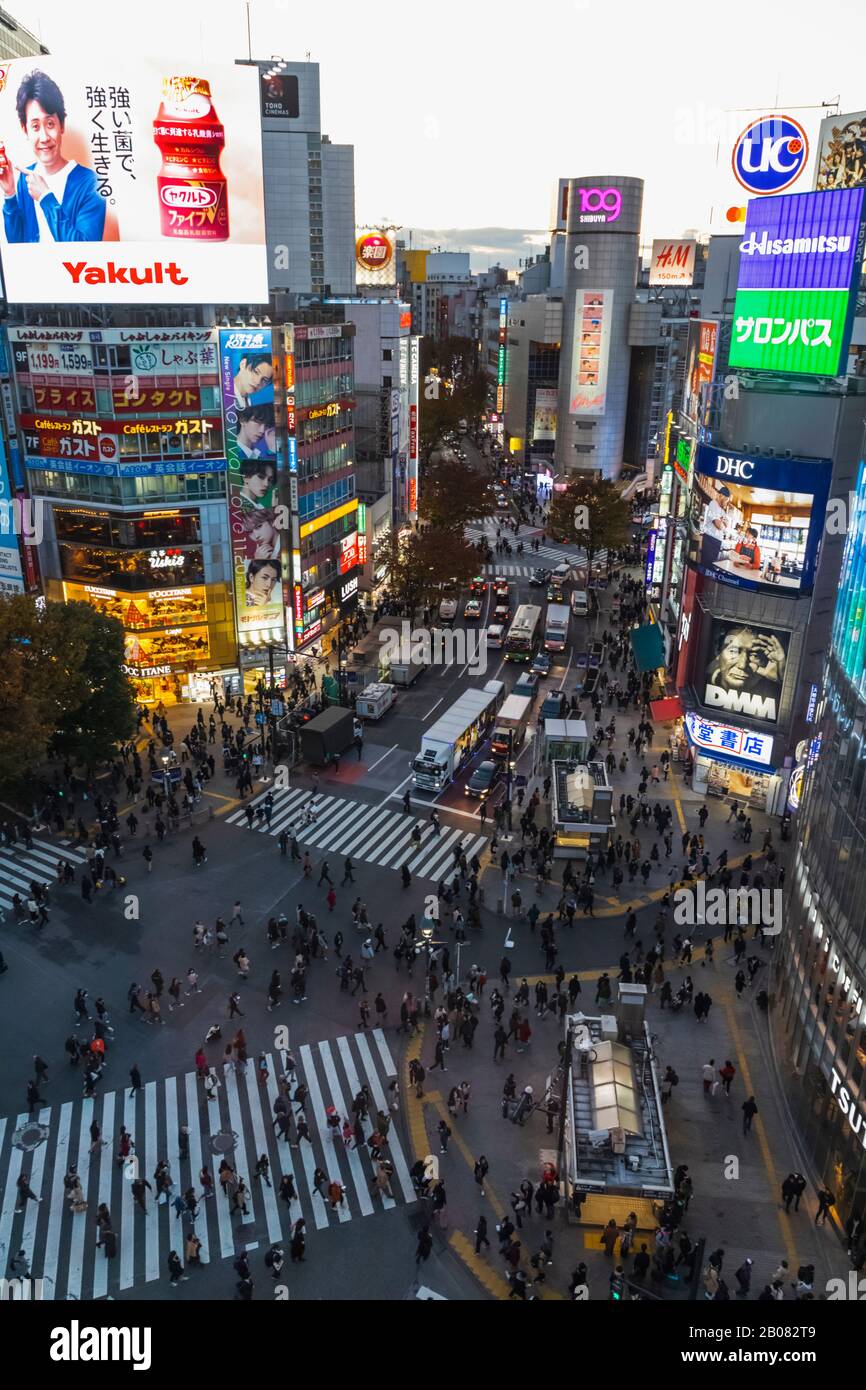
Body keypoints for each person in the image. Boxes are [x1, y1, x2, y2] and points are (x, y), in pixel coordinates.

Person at [1, 69, 107, 244]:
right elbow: (17, 244)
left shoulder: (92, 183)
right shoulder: (26, 178)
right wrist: (10, 194)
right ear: (25, 129)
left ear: (62, 125)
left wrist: (45, 198)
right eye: (35, 126)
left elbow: (87, 252)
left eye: (50, 124)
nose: (44, 137)